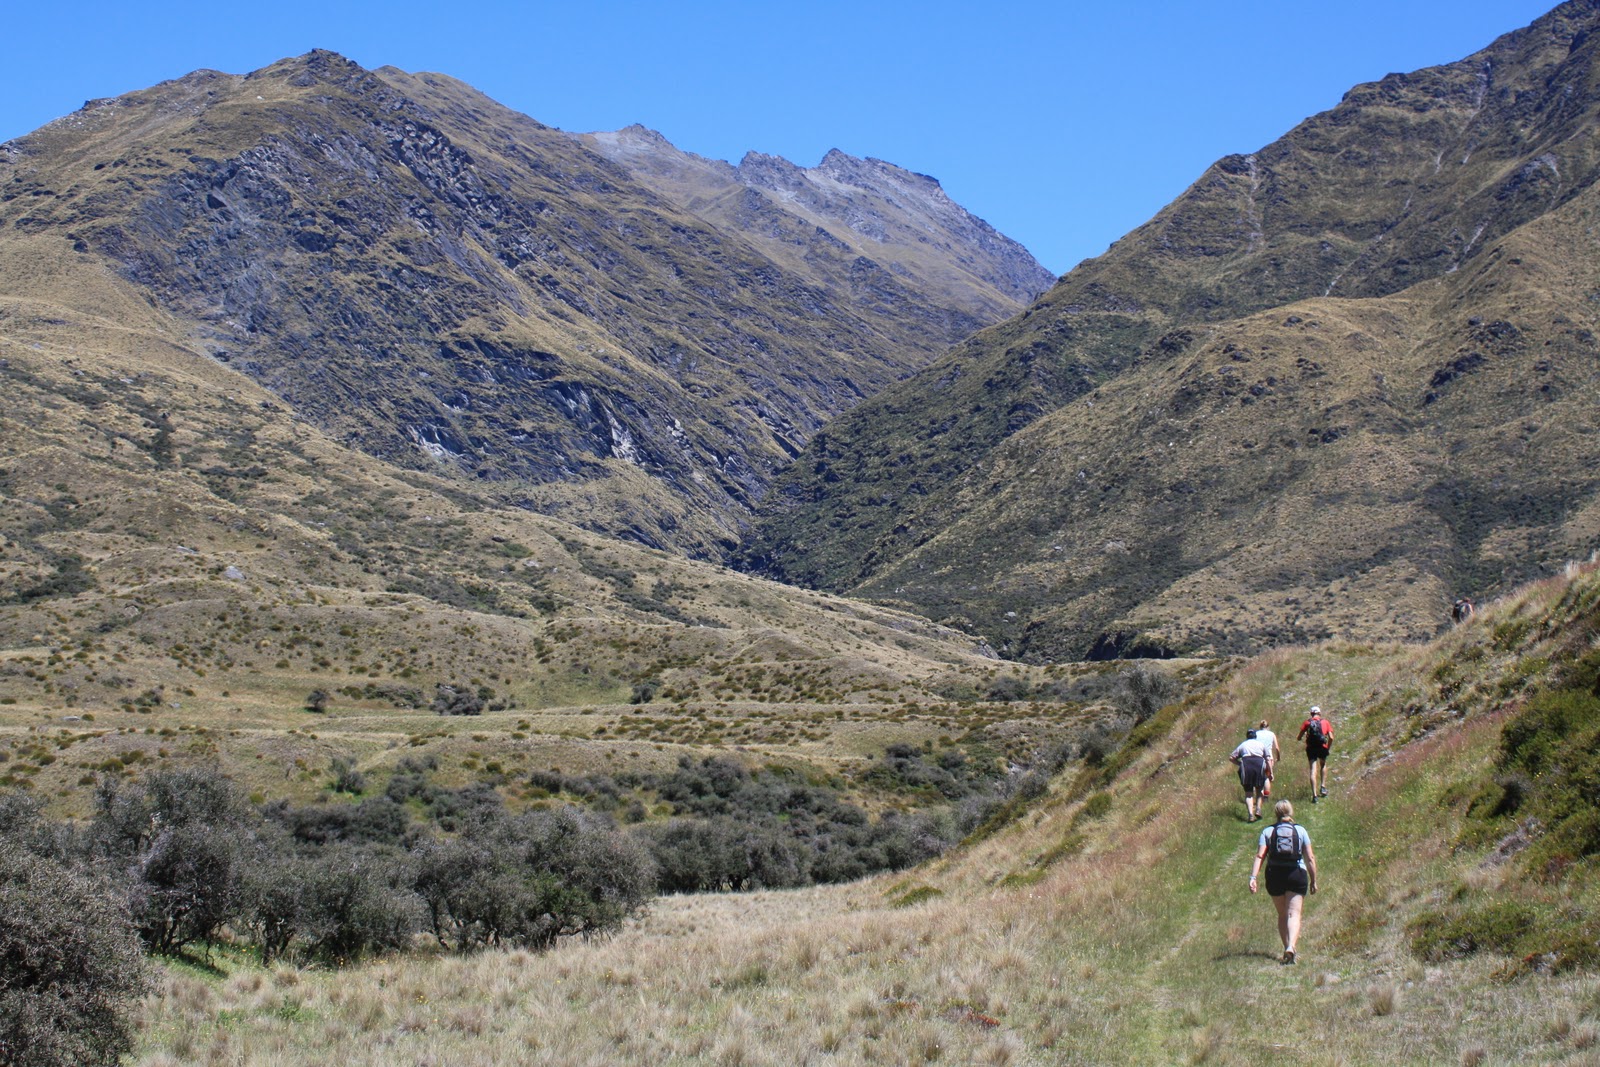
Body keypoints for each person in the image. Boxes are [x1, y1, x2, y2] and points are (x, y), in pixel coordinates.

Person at [1249, 799, 1318, 964]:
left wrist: (1253, 877)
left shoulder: (1268, 832)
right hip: (1296, 873)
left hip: (1275, 875)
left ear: (1276, 814)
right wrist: (1314, 880)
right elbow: (1310, 858)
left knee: (1282, 914)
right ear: (1291, 812)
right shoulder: (1300, 830)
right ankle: (1291, 946)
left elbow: (1260, 856)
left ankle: (1287, 947)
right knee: (1293, 913)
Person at [1229, 728, 1271, 821]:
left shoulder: (1243, 745)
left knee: (1248, 793)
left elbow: (1231, 757)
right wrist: (1270, 772)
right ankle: (1258, 809)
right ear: (1255, 736)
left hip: (1246, 765)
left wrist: (1240, 764)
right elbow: (1268, 759)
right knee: (1259, 790)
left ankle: (1250, 815)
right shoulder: (1261, 744)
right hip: (1259, 764)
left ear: (1247, 736)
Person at [1296, 706, 1332, 801]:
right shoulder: (1325, 722)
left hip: (1311, 748)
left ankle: (1314, 795)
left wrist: (1300, 738)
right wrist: (1328, 747)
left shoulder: (1307, 722)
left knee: (1313, 770)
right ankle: (1323, 787)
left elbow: (1299, 737)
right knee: (1323, 764)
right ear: (1319, 713)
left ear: (1311, 714)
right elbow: (1331, 737)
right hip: (1322, 747)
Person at [1255, 718, 1281, 798]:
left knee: (1258, 777)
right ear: (1268, 727)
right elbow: (1277, 748)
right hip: (1269, 758)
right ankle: (1266, 796)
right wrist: (1278, 757)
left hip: (1258, 757)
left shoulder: (1256, 734)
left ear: (1260, 726)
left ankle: (1259, 795)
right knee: (1267, 777)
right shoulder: (1271, 734)